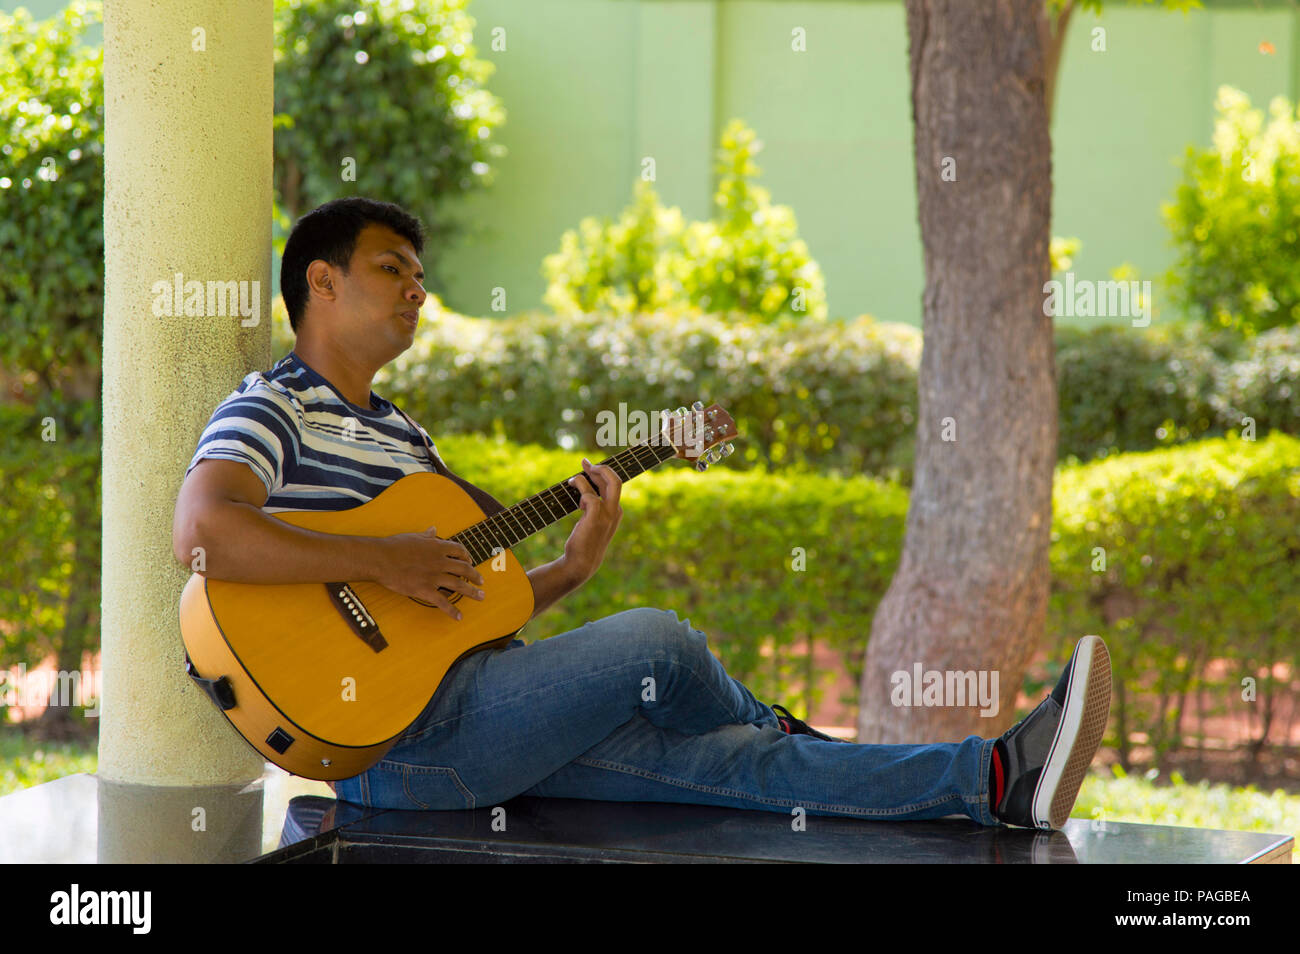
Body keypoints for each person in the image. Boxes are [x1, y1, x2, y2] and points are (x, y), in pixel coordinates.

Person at [171, 197, 1112, 832]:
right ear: (321, 283)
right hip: (399, 750)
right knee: (656, 641)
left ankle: (994, 779)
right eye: (393, 269)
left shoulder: (404, 437)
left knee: (738, 767)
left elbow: (444, 614)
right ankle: (786, 724)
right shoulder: (275, 404)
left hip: (474, 728)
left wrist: (570, 571)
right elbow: (203, 534)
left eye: (422, 274)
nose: (418, 289)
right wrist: (381, 563)